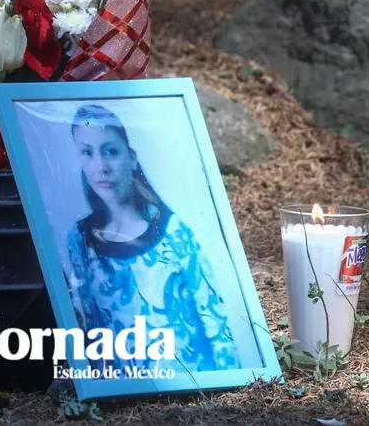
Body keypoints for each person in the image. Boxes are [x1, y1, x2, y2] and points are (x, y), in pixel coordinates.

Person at [63, 104, 239, 376]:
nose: (101, 166)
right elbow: (89, 324)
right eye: (87, 153)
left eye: (110, 151)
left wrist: (230, 384)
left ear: (131, 158)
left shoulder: (173, 231)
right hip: (121, 389)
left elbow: (215, 320)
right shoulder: (80, 239)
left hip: (192, 379)